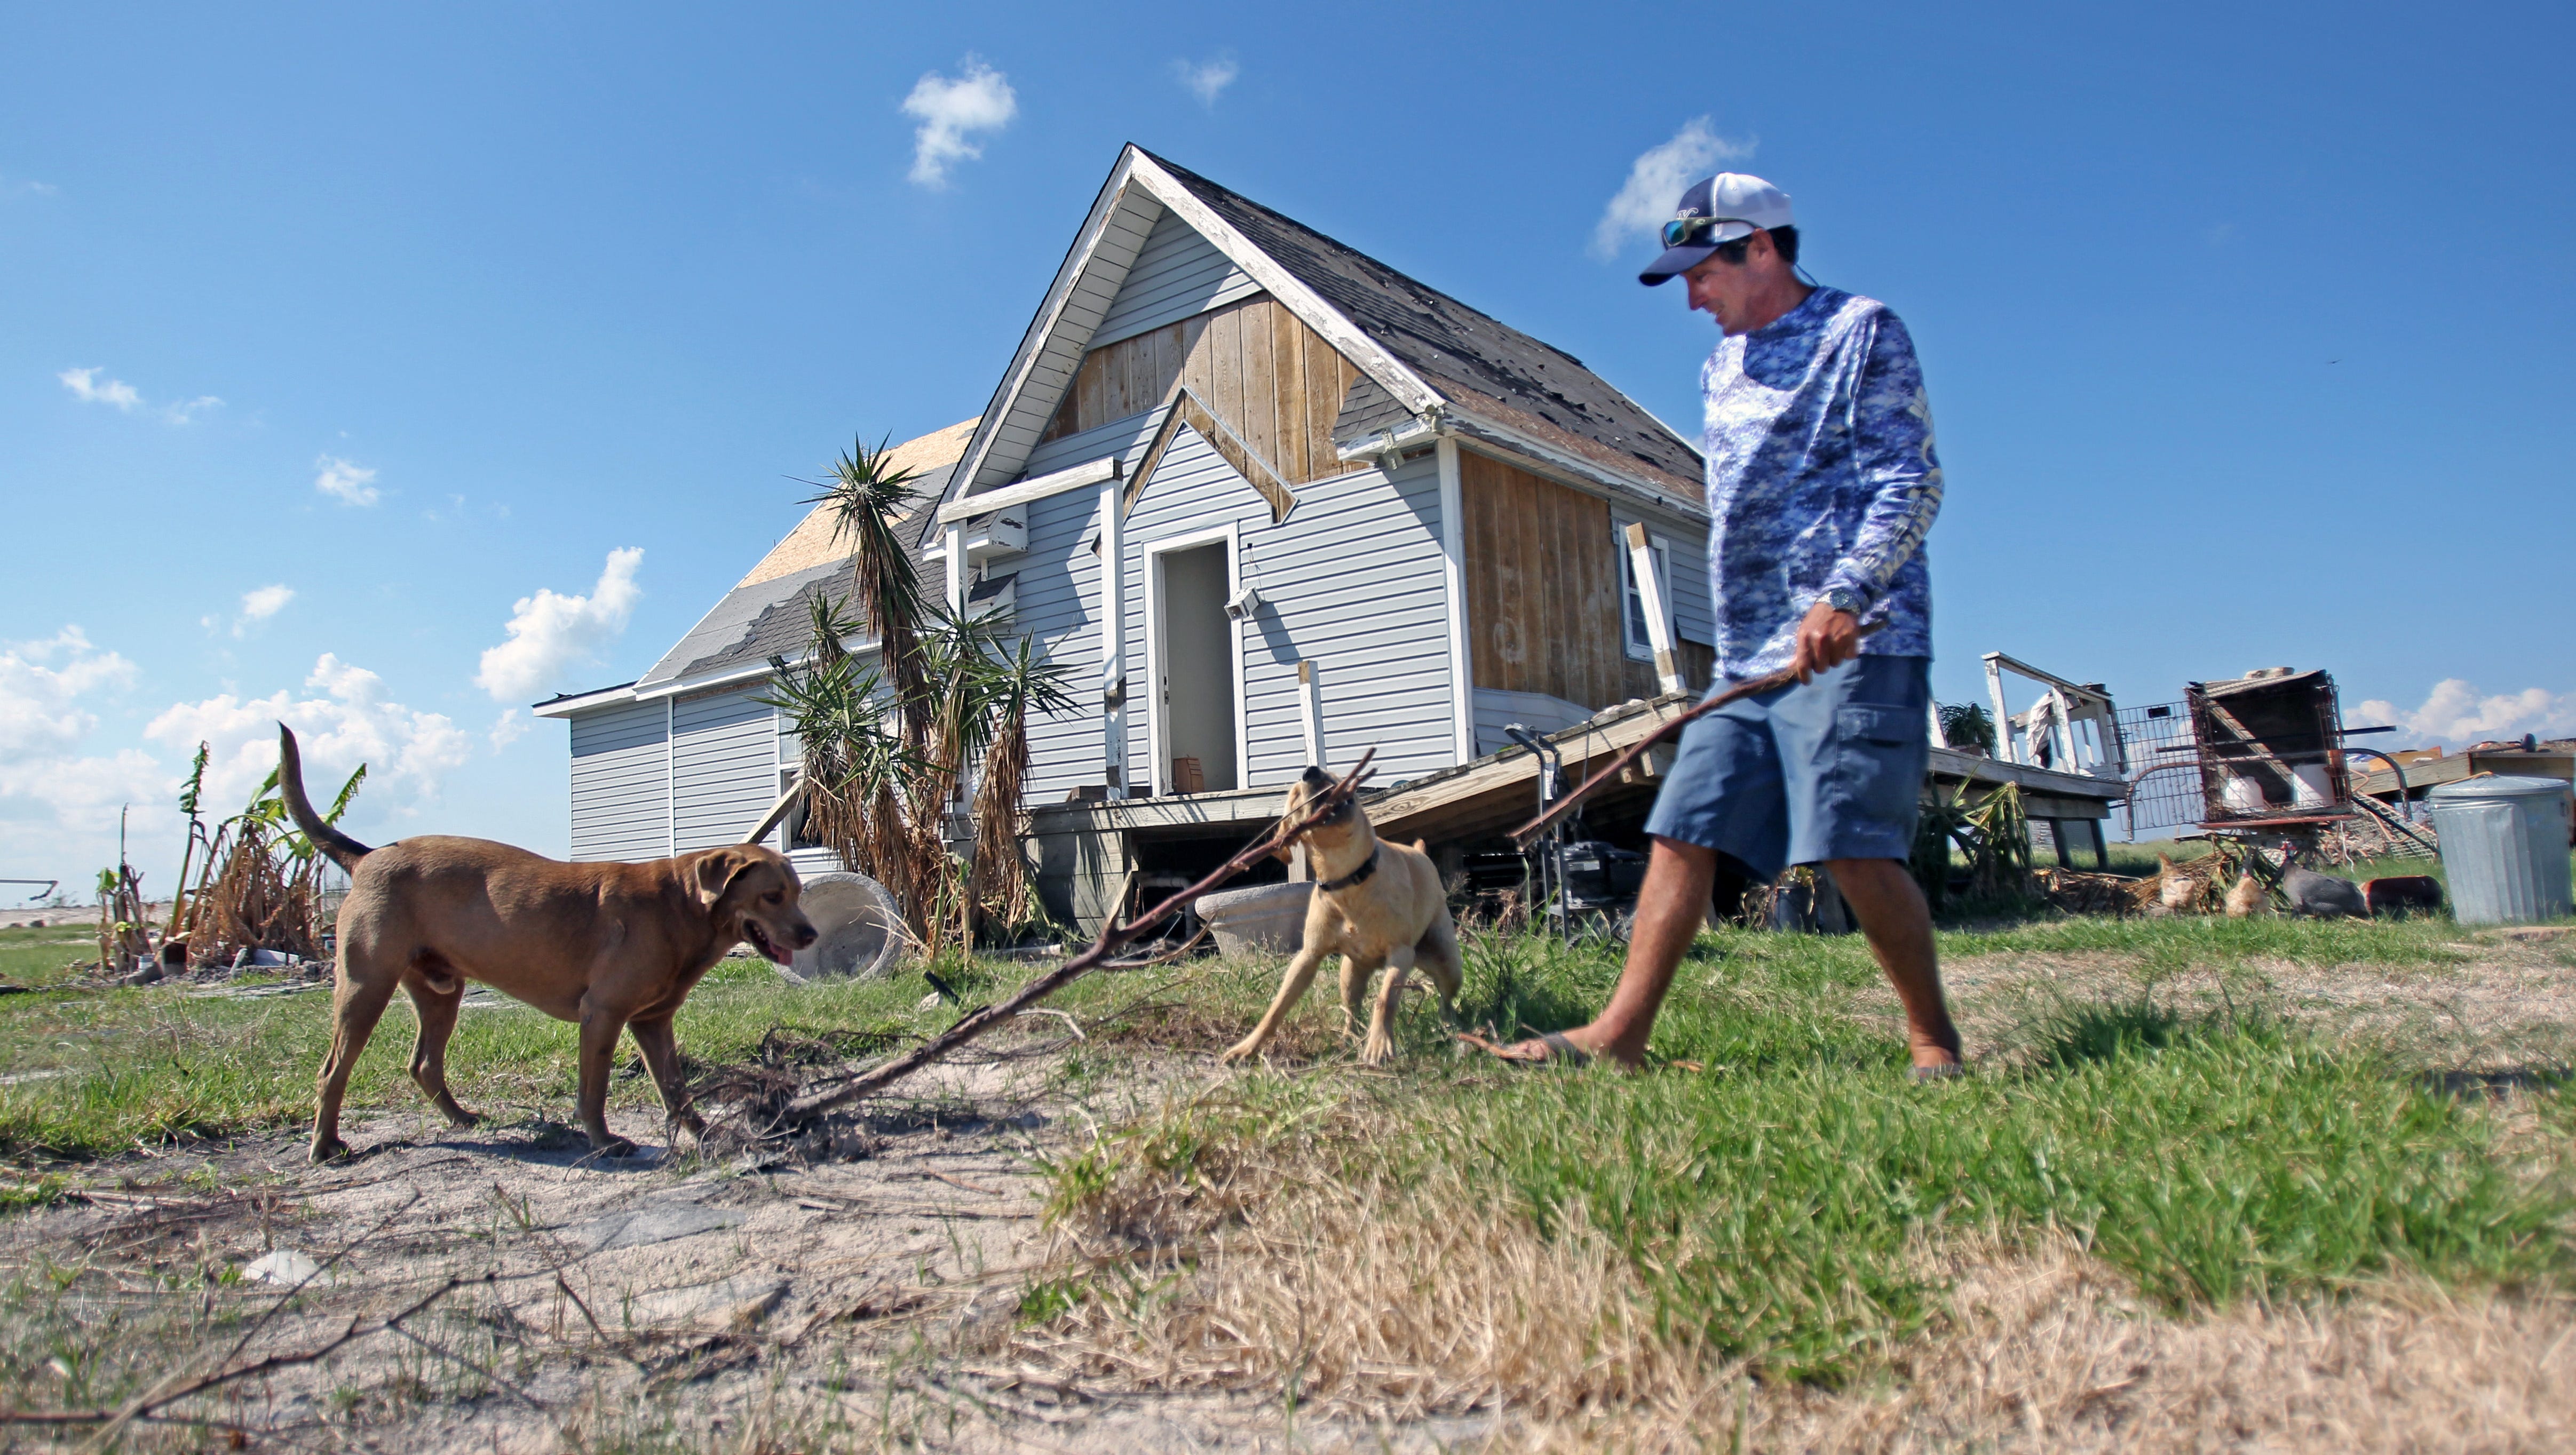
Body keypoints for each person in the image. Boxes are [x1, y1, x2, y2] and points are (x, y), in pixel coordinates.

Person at [1472, 173, 1963, 1077]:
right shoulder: (1720, 367)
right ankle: (1618, 1036)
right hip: (1748, 657)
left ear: (1764, 248)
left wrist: (1846, 592)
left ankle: (1933, 1038)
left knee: (1850, 842)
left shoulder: (1861, 332)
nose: (1694, 295)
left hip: (1855, 638)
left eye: (1705, 272)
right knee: (1681, 827)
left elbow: (1911, 481)